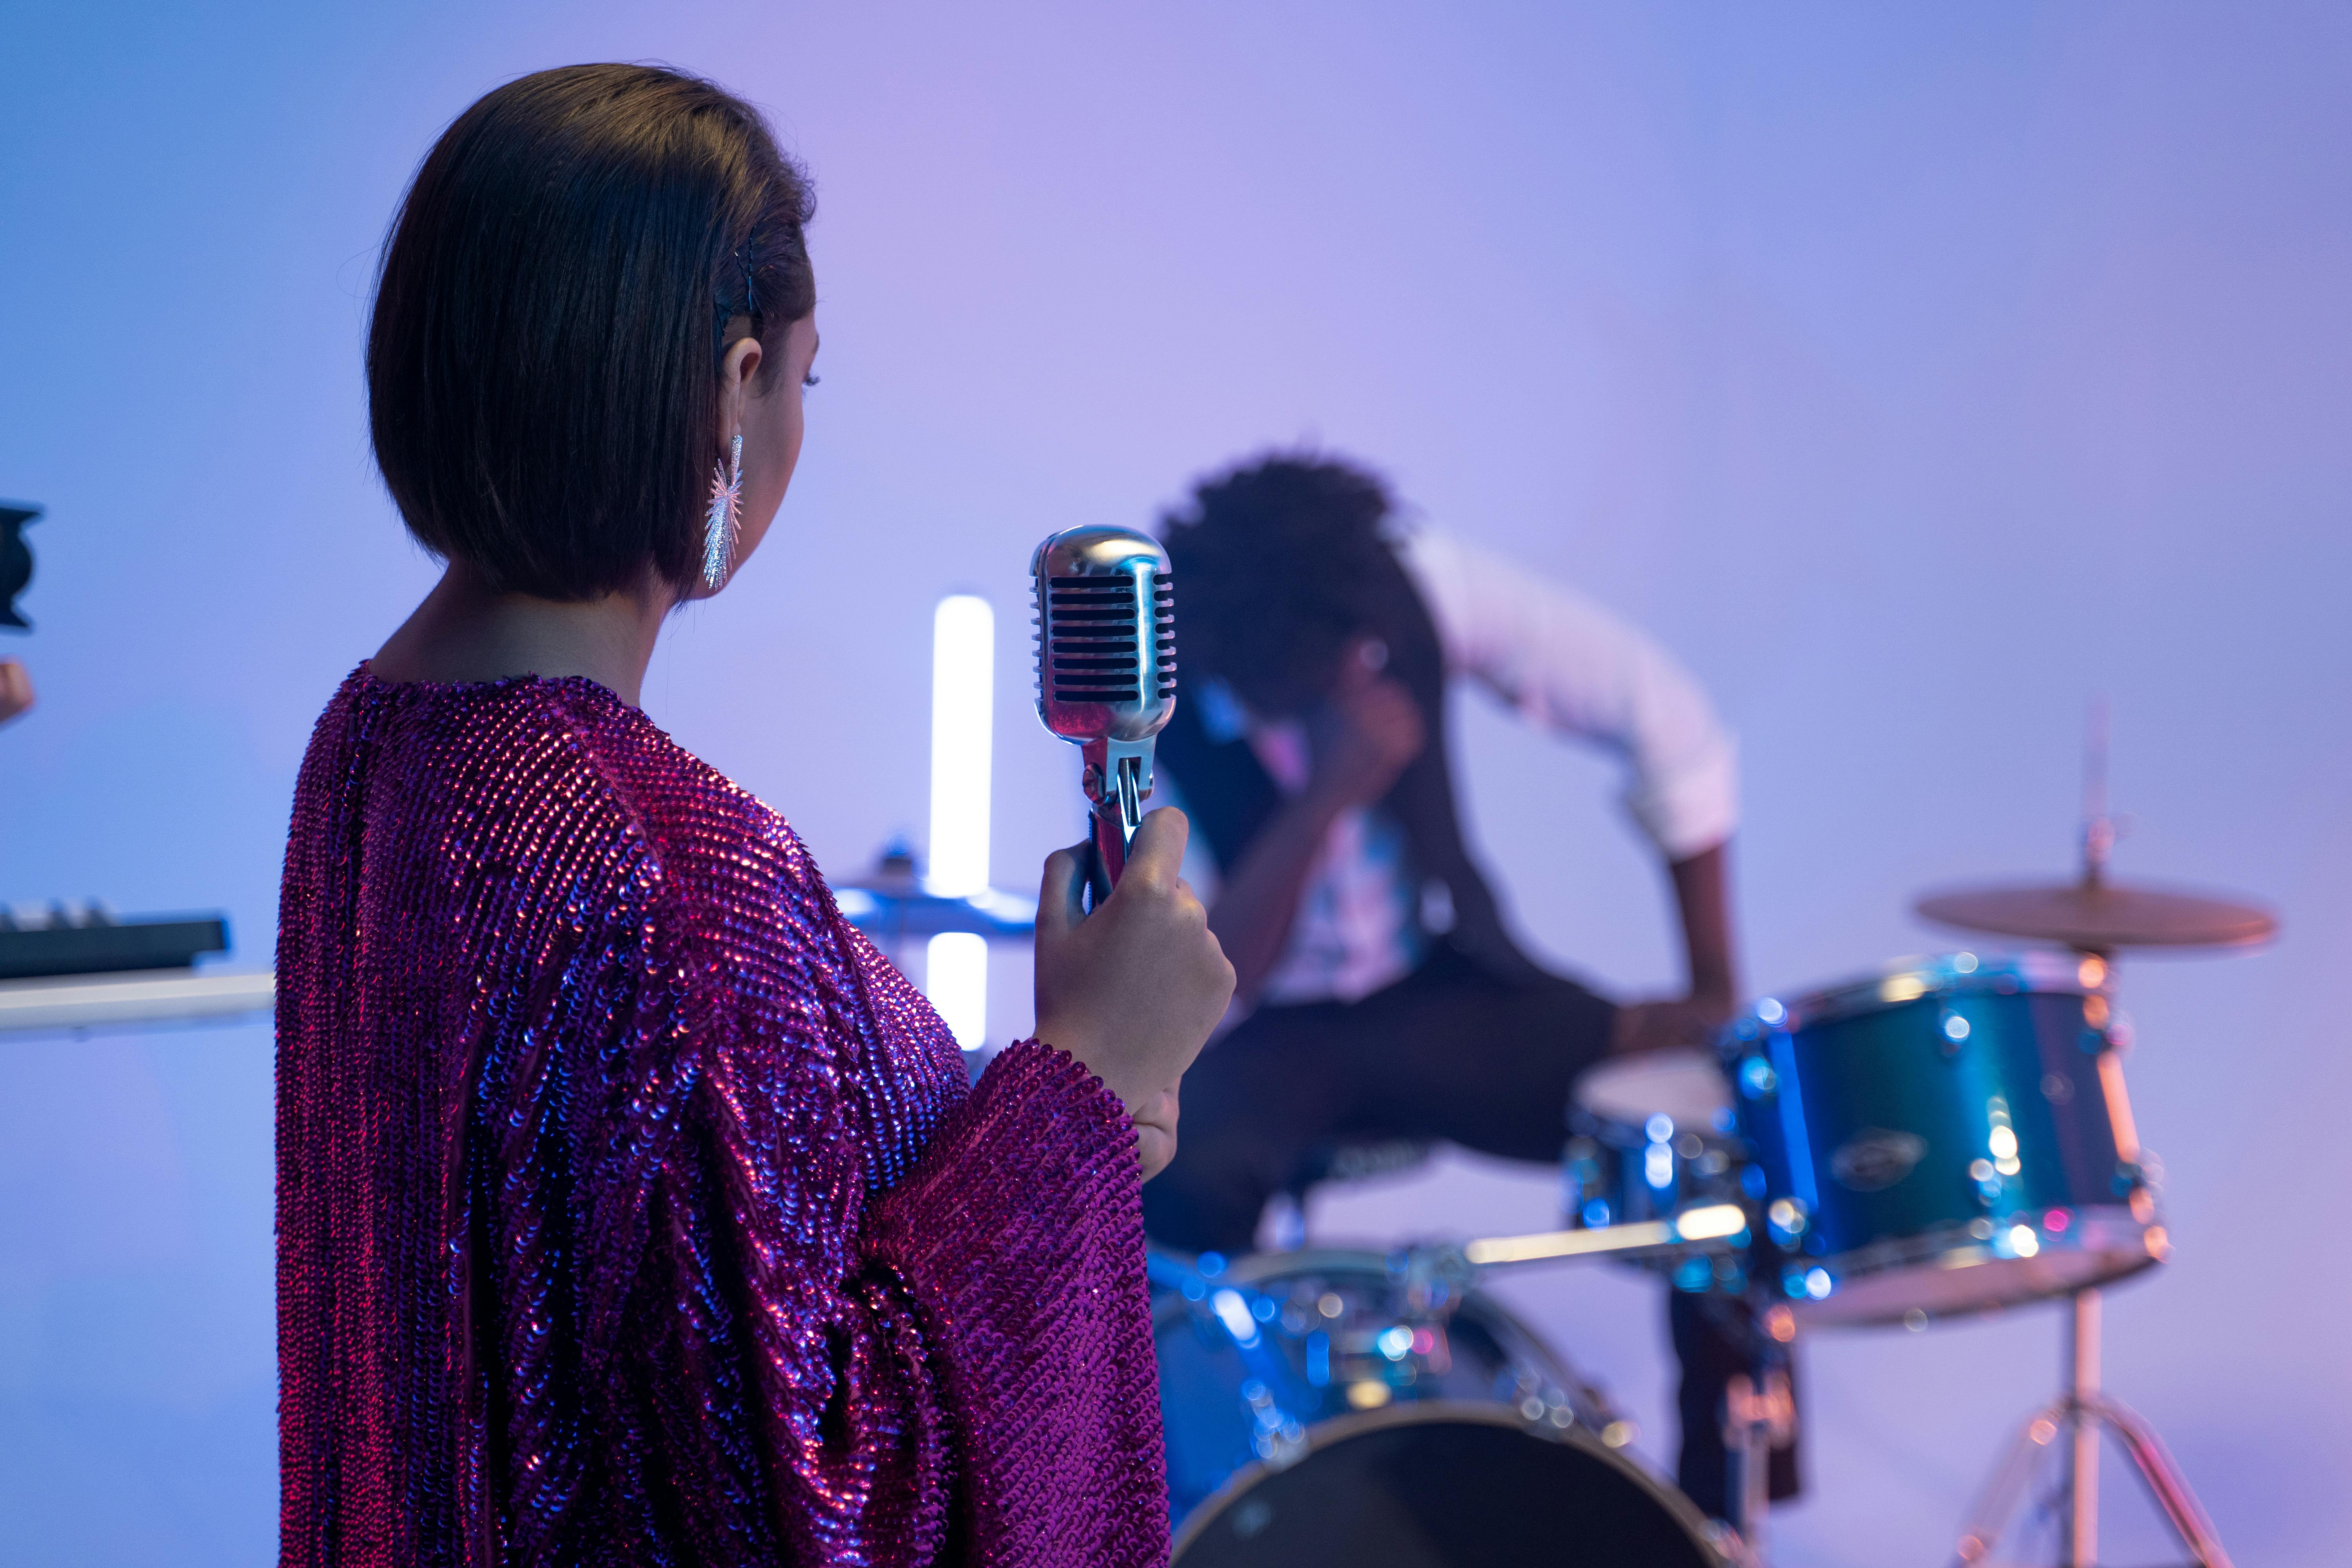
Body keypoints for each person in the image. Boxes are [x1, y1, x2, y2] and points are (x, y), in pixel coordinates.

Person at [276, 65, 1233, 1568]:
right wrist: (1084, 1090)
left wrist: (1059, 1108)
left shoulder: (370, 758)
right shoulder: (664, 875)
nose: (796, 419)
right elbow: (825, 1501)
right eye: (803, 377)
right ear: (731, 387)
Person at [1137, 452, 1795, 1518]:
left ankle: (1712, 1514)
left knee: (1715, 1140)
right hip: (1273, 1021)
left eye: (1362, 656)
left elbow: (1663, 714)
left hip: (1444, 990)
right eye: (1322, 673)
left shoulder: (1415, 590)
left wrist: (1713, 980)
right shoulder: (1149, 685)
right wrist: (1333, 788)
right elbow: (1222, 975)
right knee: (1168, 1174)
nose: (1357, 673)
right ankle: (1203, 1508)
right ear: (1251, 664)